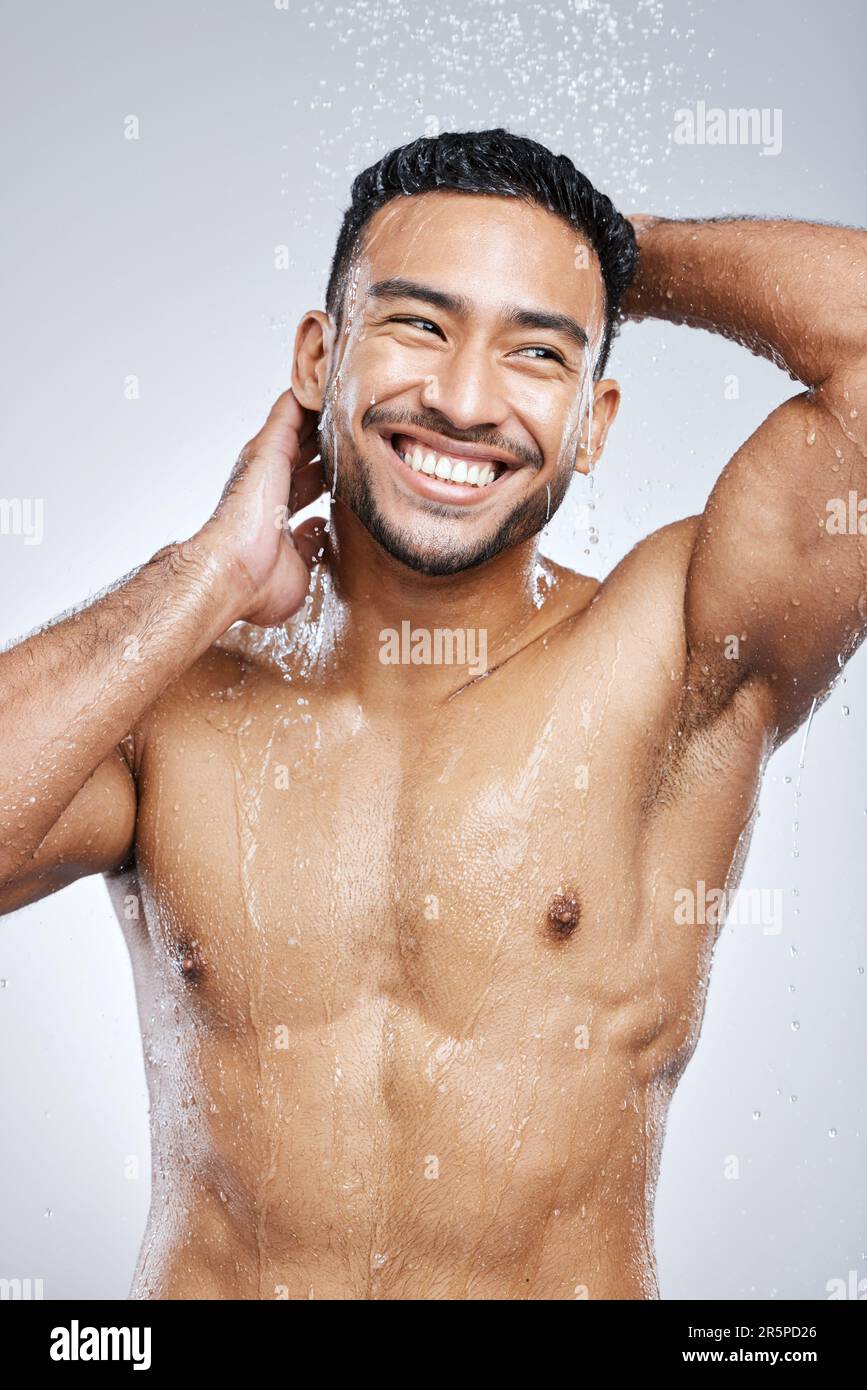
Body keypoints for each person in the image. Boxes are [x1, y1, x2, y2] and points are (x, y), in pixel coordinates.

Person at [1, 129, 864, 1300]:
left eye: (537, 352)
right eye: (418, 323)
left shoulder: (674, 655)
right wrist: (202, 573)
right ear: (320, 356)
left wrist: (609, 253)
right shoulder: (174, 694)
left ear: (595, 423)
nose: (464, 400)